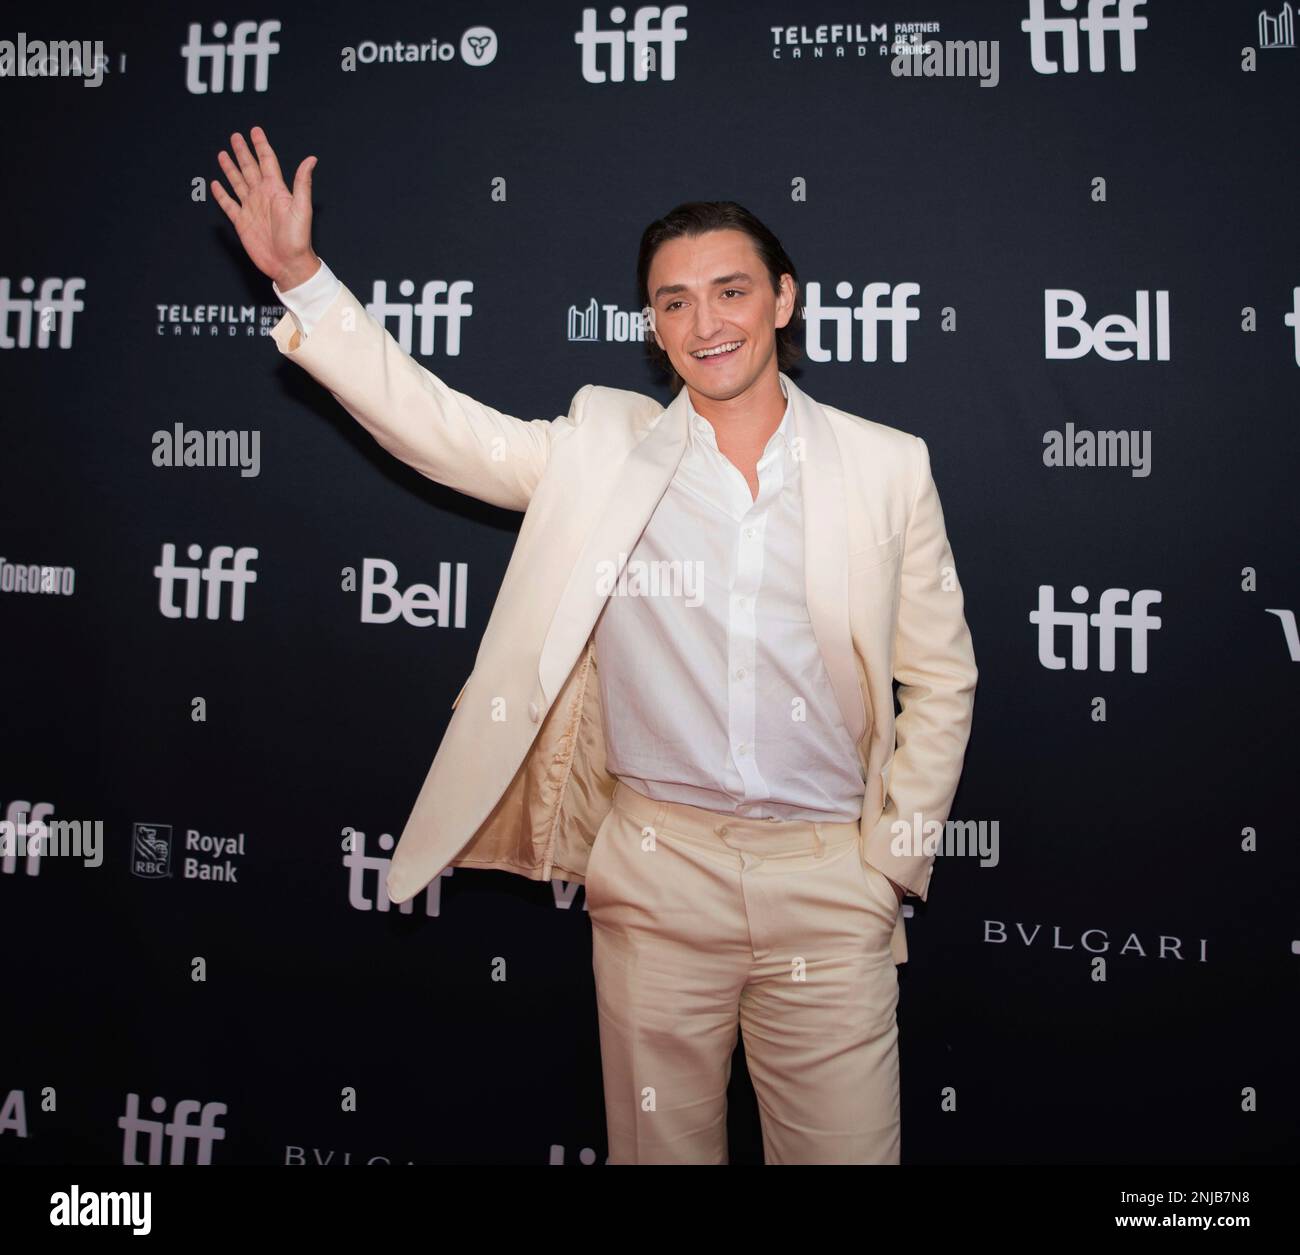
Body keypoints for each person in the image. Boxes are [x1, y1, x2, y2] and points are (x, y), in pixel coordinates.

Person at [212, 126, 978, 1164]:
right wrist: (303, 280)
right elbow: (439, 428)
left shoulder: (887, 466)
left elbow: (939, 677)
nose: (704, 322)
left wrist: (888, 863)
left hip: (828, 888)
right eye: (672, 302)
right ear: (652, 329)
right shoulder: (603, 446)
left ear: (783, 300)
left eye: (730, 290)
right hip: (657, 879)